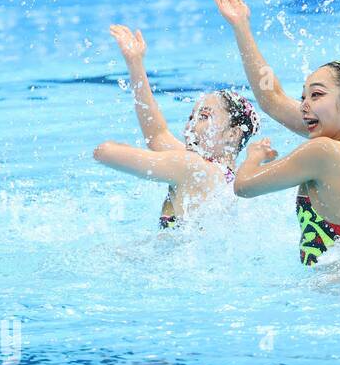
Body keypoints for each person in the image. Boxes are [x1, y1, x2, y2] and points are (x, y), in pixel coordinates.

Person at [210, 0, 340, 263]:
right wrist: (241, 27)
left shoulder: (324, 152)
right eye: (303, 95)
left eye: (316, 95)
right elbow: (272, 98)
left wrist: (254, 157)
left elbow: (244, 186)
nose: (305, 104)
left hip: (337, 293)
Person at [93, 24, 257, 227]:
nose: (190, 127)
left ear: (232, 134)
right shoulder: (223, 176)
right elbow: (157, 135)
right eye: (191, 117)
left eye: (204, 117)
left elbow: (104, 152)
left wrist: (118, 148)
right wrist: (135, 63)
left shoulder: (193, 167)